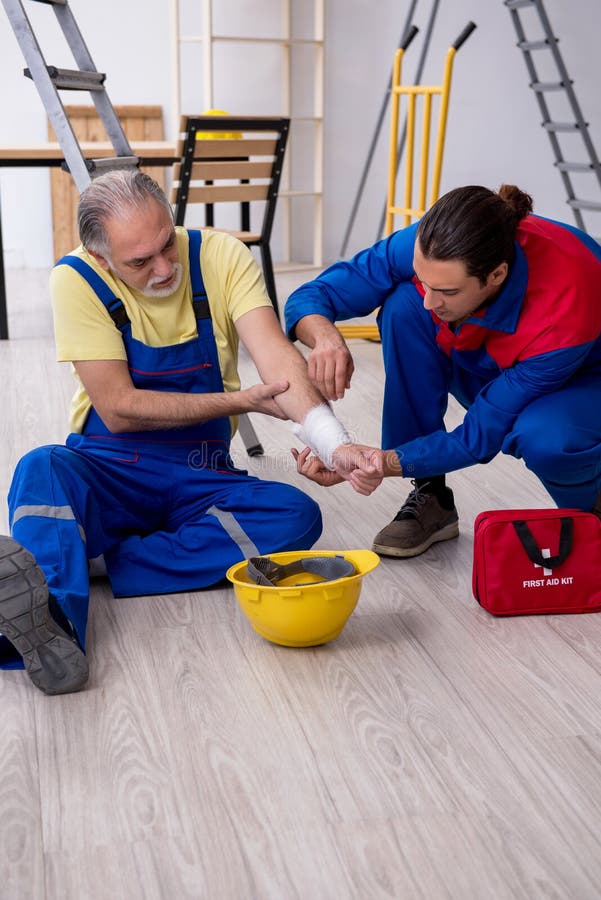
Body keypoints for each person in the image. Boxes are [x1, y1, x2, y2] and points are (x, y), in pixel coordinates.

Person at [0, 169, 381, 696]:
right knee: (40, 469)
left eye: (166, 244)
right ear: (102, 260)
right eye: (140, 262)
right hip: (111, 469)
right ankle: (55, 625)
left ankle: (97, 559)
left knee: (295, 516)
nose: (164, 268)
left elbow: (276, 360)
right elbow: (119, 409)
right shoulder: (76, 279)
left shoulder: (220, 256)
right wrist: (240, 400)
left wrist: (334, 444)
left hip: (201, 474)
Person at [285, 184, 601, 558]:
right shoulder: (434, 243)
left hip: (580, 377)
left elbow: (478, 437)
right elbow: (312, 295)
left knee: (545, 437)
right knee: (403, 305)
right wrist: (325, 338)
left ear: (496, 275)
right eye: (426, 281)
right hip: (493, 351)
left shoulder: (567, 303)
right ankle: (430, 493)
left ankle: (591, 511)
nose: (430, 300)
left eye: (446, 291)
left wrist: (380, 462)